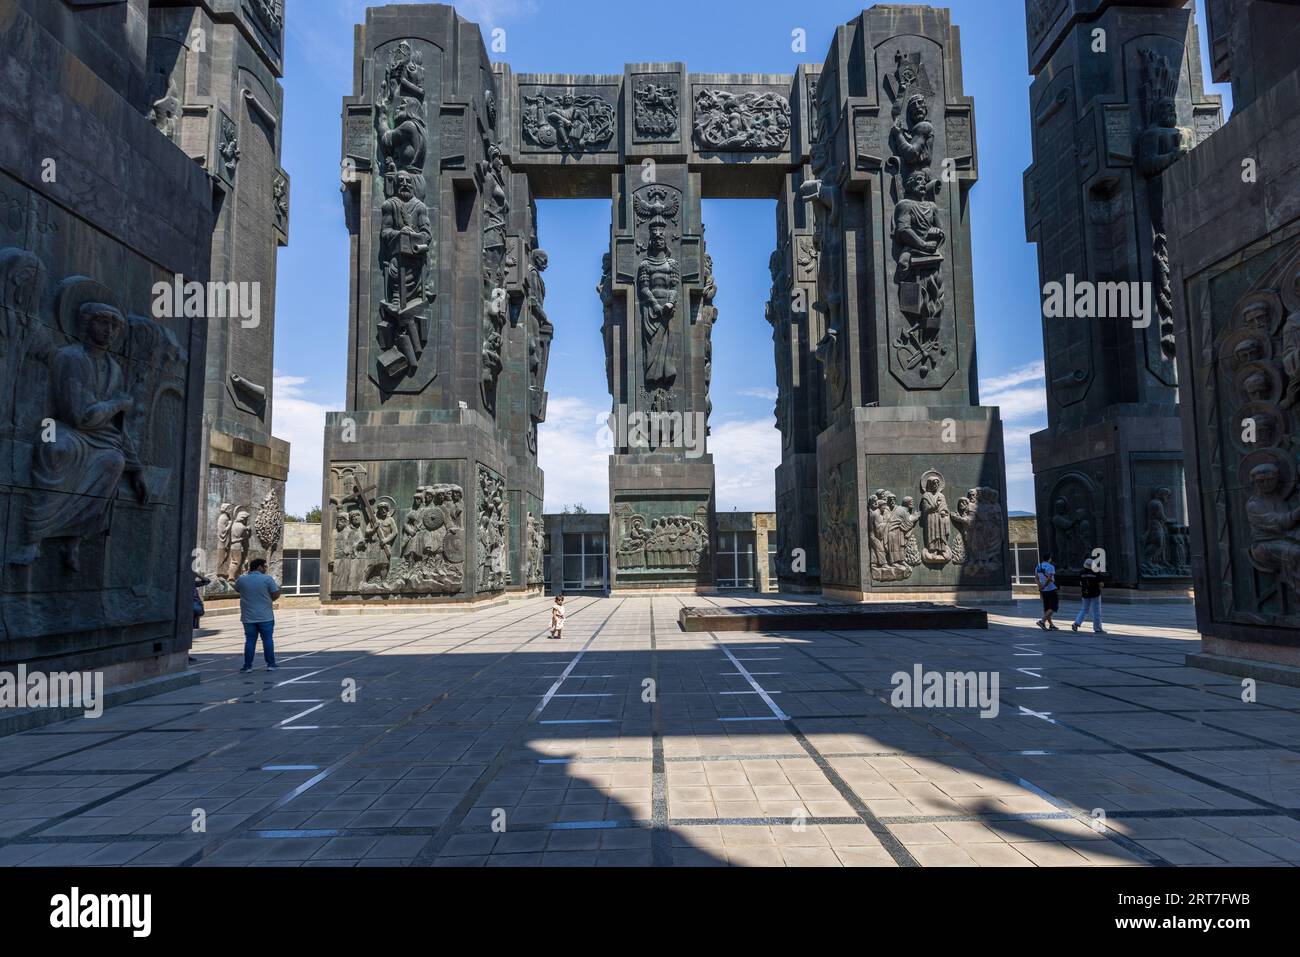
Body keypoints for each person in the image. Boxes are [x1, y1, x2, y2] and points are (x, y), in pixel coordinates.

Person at [235, 558, 281, 672]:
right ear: (259, 567)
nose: (266, 568)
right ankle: (271, 664)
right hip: (266, 616)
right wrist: (269, 598)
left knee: (250, 640)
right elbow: (275, 594)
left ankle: (247, 666)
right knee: (267, 640)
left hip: (248, 617)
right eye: (265, 566)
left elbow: (238, 590)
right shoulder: (267, 579)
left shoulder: (241, 580)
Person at [1073, 558, 1107, 634]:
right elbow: (1100, 584)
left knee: (1084, 609)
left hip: (1085, 593)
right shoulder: (1096, 572)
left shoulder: (1081, 573)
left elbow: (1081, 583)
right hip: (1095, 593)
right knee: (1096, 611)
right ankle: (1097, 628)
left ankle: (1077, 623)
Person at [1035, 552, 1060, 631]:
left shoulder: (1038, 566)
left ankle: (1051, 625)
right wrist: (1044, 586)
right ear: (1049, 559)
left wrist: (1040, 586)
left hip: (1043, 591)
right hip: (1051, 589)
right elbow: (1049, 578)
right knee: (1053, 607)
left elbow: (1036, 578)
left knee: (1047, 608)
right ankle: (1042, 621)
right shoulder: (1050, 566)